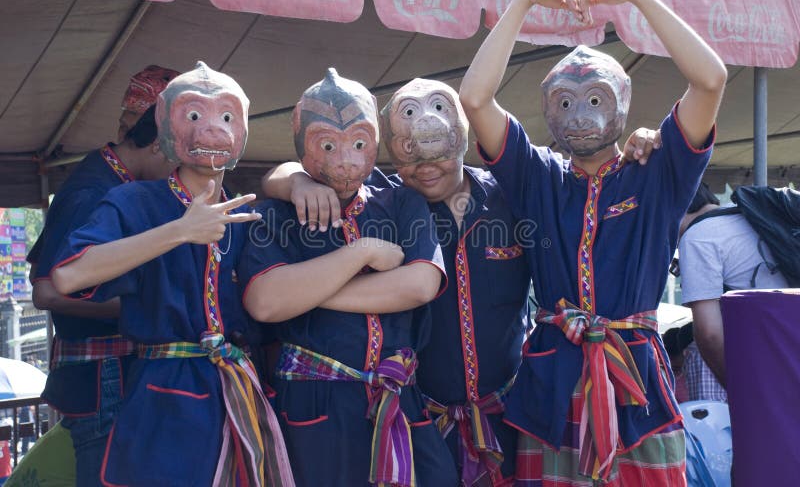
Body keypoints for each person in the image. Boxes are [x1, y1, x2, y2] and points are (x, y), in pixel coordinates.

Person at [263, 78, 661, 485]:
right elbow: (298, 167)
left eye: (441, 157)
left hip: (506, 412)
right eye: (413, 162)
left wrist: (638, 143)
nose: (427, 170)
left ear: (464, 143)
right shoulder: (388, 203)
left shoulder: (512, 196)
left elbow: (580, 175)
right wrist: (296, 180)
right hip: (420, 415)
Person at [459, 0, 727, 485]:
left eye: (596, 99)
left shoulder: (658, 173)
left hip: (637, 384)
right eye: (564, 102)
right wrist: (522, 0)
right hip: (552, 386)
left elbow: (711, 80)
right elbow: (475, 100)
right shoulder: (536, 176)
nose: (579, 115)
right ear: (546, 111)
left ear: (623, 103)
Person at [51, 62, 293, 486]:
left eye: (227, 116)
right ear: (166, 128)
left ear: (242, 131)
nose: (211, 129)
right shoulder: (135, 202)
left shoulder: (249, 212)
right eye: (194, 116)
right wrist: (179, 231)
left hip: (241, 395)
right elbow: (69, 276)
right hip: (163, 404)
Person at [240, 68, 457, 487]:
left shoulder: (400, 203)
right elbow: (265, 303)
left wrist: (307, 291)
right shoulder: (278, 214)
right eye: (327, 144)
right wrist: (362, 252)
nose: (345, 159)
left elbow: (420, 284)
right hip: (316, 402)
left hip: (397, 396)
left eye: (359, 142)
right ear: (302, 146)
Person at [28, 65, 178, 487]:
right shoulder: (92, 191)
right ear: (158, 144)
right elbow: (45, 291)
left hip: (116, 372)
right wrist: (147, 303)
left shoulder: (121, 181)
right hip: (100, 377)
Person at [678, 183, 787, 391]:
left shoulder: (697, 237)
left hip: (774, 359)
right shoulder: (746, 213)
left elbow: (709, 333)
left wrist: (737, 388)